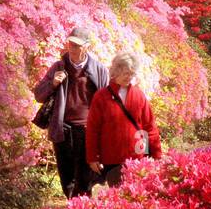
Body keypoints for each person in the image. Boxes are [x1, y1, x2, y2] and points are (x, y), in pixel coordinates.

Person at [32, 27, 109, 198]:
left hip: (87, 130)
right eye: (70, 44)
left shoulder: (99, 70)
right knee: (66, 177)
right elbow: (38, 95)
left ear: (86, 46)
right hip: (63, 129)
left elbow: (106, 105)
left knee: (85, 177)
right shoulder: (59, 67)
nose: (72, 49)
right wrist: (53, 83)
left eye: (77, 46)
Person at [86, 52, 162, 189]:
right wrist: (92, 157)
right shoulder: (101, 96)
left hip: (138, 156)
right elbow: (93, 129)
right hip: (112, 158)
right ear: (116, 72)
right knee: (118, 198)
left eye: (132, 74)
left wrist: (156, 155)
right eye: (126, 73)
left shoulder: (138, 95)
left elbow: (149, 126)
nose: (129, 77)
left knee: (138, 196)